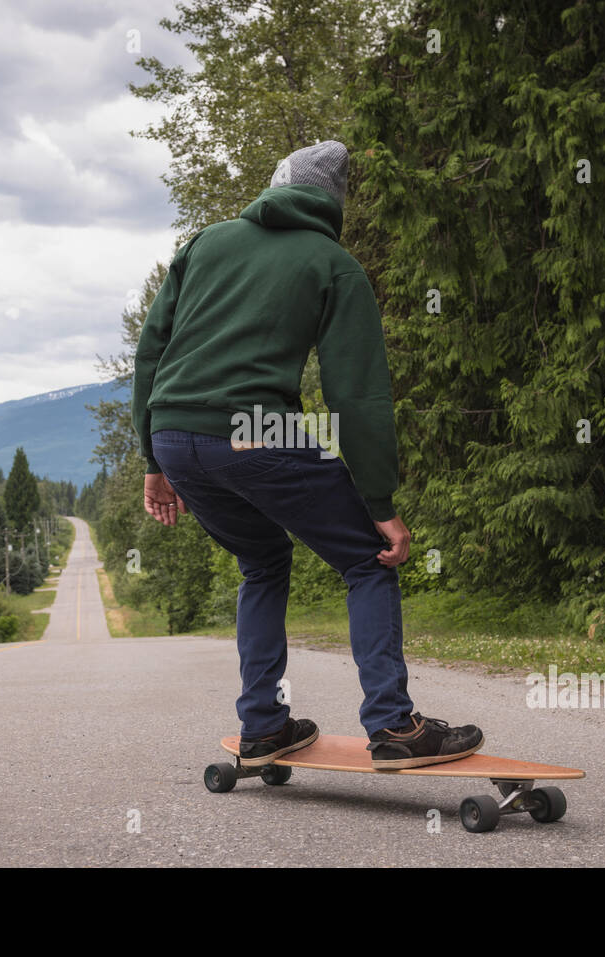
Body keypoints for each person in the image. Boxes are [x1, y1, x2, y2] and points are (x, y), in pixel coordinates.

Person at [132, 140, 483, 770]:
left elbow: (150, 354)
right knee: (368, 561)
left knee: (262, 561)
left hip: (174, 432)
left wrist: (154, 463)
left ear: (274, 184)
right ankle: (394, 728)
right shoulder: (333, 262)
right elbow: (359, 395)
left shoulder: (205, 243)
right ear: (334, 202)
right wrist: (380, 503)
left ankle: (263, 728)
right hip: (258, 429)